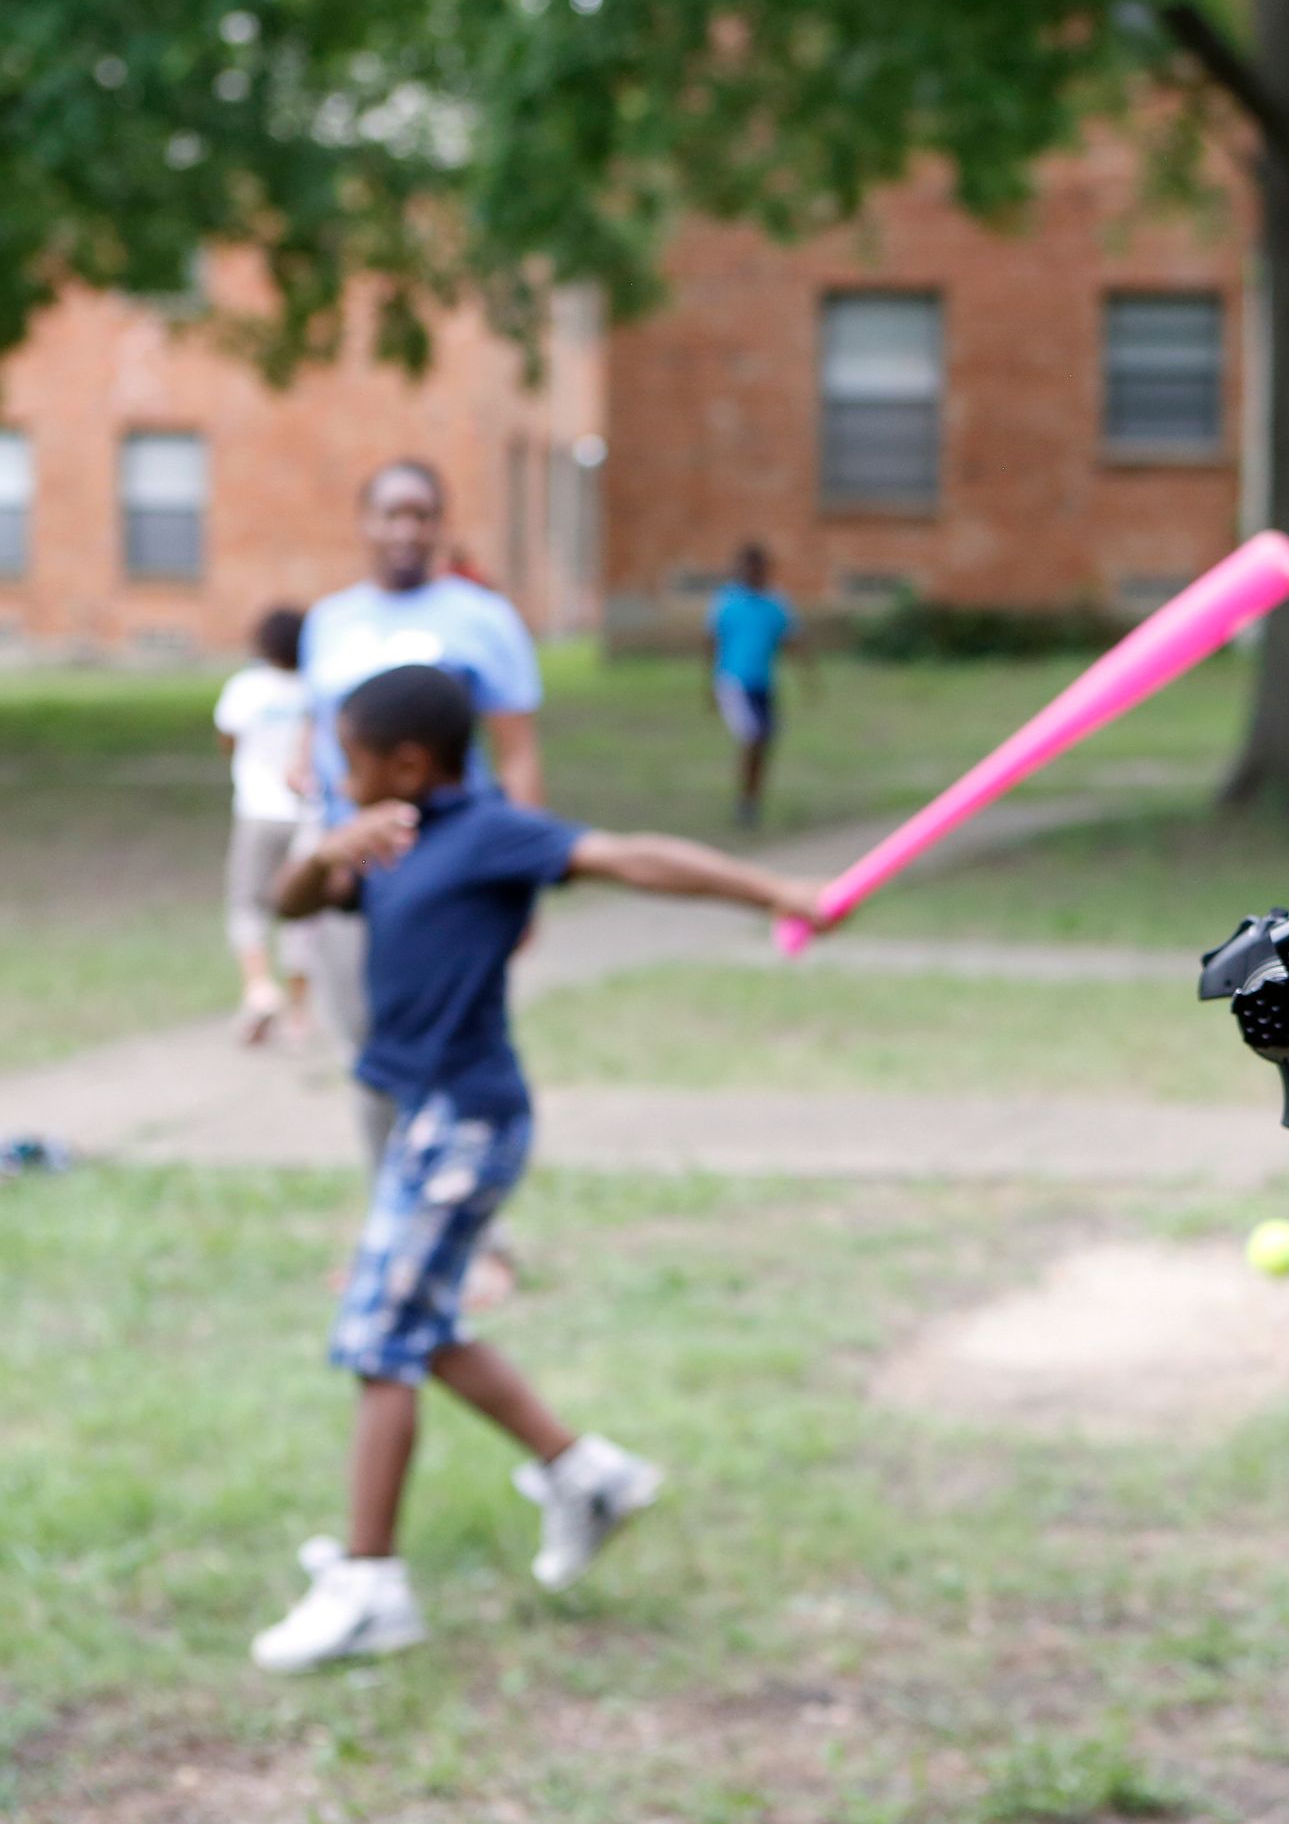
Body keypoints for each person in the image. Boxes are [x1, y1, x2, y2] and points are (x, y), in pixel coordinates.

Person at [248, 664, 825, 1672]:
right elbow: (289, 899)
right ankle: (583, 1475)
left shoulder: (487, 832)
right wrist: (328, 847)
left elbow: (634, 859)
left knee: (381, 1339)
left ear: (411, 762)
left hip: (467, 1123)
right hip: (423, 1115)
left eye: (353, 763)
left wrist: (776, 890)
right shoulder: (386, 836)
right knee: (420, 1326)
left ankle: (371, 1585)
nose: (341, 780)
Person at [297, 460, 544, 1299]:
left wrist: (525, 875)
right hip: (353, 868)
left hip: (449, 871)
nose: (407, 529)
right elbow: (315, 739)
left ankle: (479, 1244)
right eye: (392, 513)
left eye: (423, 514)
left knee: (451, 1047)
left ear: (441, 524)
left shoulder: (483, 619)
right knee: (369, 1055)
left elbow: (517, 749)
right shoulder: (329, 621)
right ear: (362, 520)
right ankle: (391, 1227)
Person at [214, 606, 312, 1045]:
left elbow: (228, 740)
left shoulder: (246, 688)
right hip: (308, 815)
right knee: (301, 911)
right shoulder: (317, 689)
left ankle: (258, 987)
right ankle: (299, 1016)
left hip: (257, 810)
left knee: (247, 904)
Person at [705, 543, 795, 828]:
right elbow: (712, 642)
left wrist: (809, 676)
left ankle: (752, 800)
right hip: (732, 682)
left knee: (765, 741)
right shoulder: (727, 601)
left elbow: (791, 638)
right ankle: (745, 802)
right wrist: (709, 685)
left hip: (763, 684)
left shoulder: (775, 604)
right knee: (752, 737)